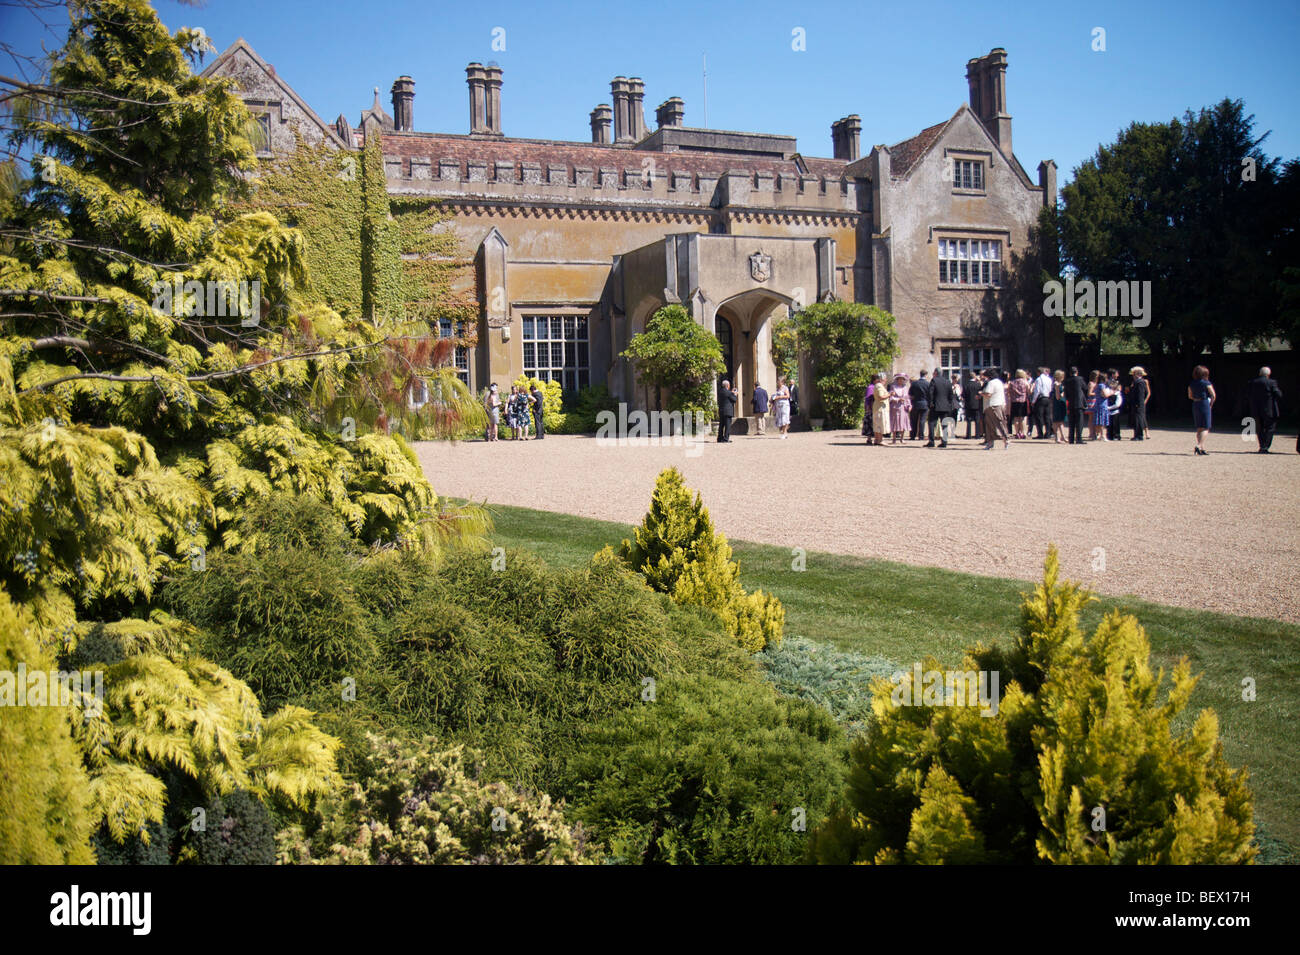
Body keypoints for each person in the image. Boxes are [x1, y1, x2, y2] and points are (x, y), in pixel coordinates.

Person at [1247, 366, 1283, 453]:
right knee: (1270, 428)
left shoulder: (1253, 382)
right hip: (1269, 409)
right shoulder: (1272, 382)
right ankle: (1265, 446)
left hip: (1256, 409)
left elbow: (1248, 394)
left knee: (1259, 428)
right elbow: (1278, 394)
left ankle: (1262, 445)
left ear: (1260, 373)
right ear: (1268, 374)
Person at [1188, 365, 1216, 455]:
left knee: (1199, 427)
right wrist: (1210, 404)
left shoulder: (1192, 383)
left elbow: (1190, 396)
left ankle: (1201, 448)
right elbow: (1213, 395)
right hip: (1204, 403)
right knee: (1206, 427)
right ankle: (1199, 445)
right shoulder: (1206, 383)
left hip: (1195, 404)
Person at [928, 366, 957, 448]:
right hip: (945, 406)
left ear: (936, 373)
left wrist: (931, 402)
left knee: (931, 423)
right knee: (944, 424)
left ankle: (931, 441)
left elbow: (930, 393)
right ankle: (944, 442)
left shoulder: (934, 380)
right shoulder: (947, 381)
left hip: (935, 405)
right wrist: (949, 404)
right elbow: (951, 394)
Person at [981, 368, 1009, 449]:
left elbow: (988, 394)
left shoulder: (991, 383)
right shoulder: (999, 382)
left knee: (993, 425)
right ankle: (993, 442)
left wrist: (981, 394)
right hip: (999, 404)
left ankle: (1002, 439)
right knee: (999, 423)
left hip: (992, 405)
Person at [1063, 366, 1087, 445]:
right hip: (1079, 403)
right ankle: (1079, 439)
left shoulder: (1067, 381)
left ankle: (1071, 439)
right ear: (1077, 372)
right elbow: (1085, 388)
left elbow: (1066, 393)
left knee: (1071, 422)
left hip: (1071, 403)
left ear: (1070, 373)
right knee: (1079, 422)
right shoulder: (1079, 379)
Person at [1088, 371, 1112, 441]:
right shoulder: (1101, 385)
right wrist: (1112, 392)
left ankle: (1098, 434)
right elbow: (1105, 395)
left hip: (1100, 404)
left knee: (1100, 420)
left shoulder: (1099, 385)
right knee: (1101, 421)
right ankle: (1102, 435)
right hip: (1101, 404)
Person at [1030, 366, 1054, 439]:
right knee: (1047, 416)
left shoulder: (1038, 379)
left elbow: (1037, 391)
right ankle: (1048, 433)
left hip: (1040, 398)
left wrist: (1033, 401)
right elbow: (1050, 389)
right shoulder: (1049, 379)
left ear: (1038, 372)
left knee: (1039, 417)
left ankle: (1040, 434)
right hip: (1047, 398)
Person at [1008, 369, 1031, 439]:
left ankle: (1017, 432)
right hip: (1023, 401)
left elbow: (1009, 392)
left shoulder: (1012, 382)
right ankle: (1023, 433)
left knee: (1016, 418)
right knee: (1023, 418)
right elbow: (1029, 392)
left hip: (1014, 402)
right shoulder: (1025, 382)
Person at [889, 373, 911, 444]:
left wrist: (909, 405)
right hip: (895, 407)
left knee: (903, 422)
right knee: (895, 422)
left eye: (902, 379)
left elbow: (907, 398)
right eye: (899, 379)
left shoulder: (905, 388)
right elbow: (891, 397)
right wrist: (898, 399)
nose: (901, 381)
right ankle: (894, 438)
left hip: (903, 407)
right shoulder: (893, 387)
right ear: (897, 379)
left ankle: (902, 438)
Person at [908, 370, 930, 440]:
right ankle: (921, 436)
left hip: (915, 403)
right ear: (926, 375)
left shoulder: (914, 383)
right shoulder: (928, 384)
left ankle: (913, 435)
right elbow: (930, 394)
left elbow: (910, 394)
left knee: (914, 420)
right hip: (925, 403)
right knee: (922, 420)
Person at [1128, 366, 1149, 440]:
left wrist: (1138, 404)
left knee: (1138, 419)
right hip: (1136, 404)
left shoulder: (1140, 382)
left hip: (1138, 404)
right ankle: (1137, 434)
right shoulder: (1136, 382)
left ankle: (1139, 435)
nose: (1133, 376)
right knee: (1136, 419)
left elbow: (1140, 394)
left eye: (1134, 374)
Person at [871, 373, 890, 446]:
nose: (886, 380)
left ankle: (876, 439)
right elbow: (880, 397)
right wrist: (889, 394)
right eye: (885, 378)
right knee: (880, 423)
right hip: (880, 408)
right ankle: (880, 440)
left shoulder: (878, 385)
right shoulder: (879, 386)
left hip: (878, 407)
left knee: (877, 423)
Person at [964, 371, 984, 440]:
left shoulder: (966, 385)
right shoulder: (978, 385)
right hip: (977, 404)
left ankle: (968, 435)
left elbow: (963, 395)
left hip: (968, 404)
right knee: (977, 420)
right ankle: (977, 435)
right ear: (974, 377)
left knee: (969, 421)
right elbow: (980, 393)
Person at [1106, 369, 1124, 441]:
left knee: (1115, 423)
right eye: (1116, 374)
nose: (1118, 375)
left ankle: (1116, 435)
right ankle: (1110, 435)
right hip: (1110, 401)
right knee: (1110, 423)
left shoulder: (1117, 392)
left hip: (1114, 407)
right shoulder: (1108, 382)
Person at [1051, 369, 1067, 443]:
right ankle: (1057, 438)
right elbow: (1057, 396)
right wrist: (1062, 393)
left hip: (1061, 403)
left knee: (1061, 421)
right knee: (1056, 421)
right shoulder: (1056, 384)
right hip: (1058, 403)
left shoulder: (1060, 383)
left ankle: (1063, 436)